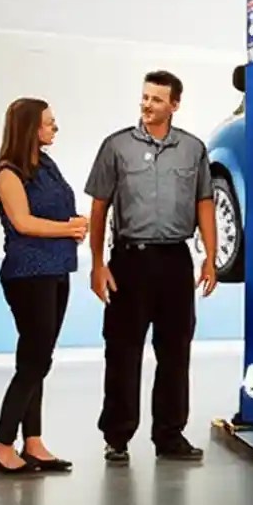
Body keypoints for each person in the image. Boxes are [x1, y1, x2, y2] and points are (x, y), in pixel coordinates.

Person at [85, 70, 217, 465]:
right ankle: (117, 436)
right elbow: (98, 206)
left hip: (176, 260)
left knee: (175, 351)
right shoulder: (116, 147)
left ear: (174, 105)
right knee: (123, 350)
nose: (147, 105)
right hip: (129, 260)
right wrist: (96, 263)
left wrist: (211, 256)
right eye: (144, 97)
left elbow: (204, 203)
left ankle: (170, 435)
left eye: (157, 99)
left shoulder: (192, 150)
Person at [0, 98, 88, 475]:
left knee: (38, 358)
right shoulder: (8, 173)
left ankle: (33, 441)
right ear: (30, 128)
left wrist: (74, 225)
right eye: (49, 123)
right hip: (28, 274)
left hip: (57, 269)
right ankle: (2, 444)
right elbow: (23, 221)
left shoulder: (47, 166)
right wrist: (69, 228)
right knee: (34, 361)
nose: (55, 128)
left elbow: (57, 212)